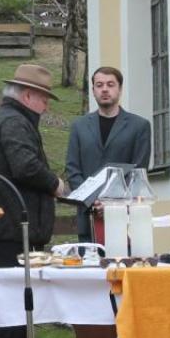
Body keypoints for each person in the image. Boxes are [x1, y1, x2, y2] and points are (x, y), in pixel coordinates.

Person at [0, 63, 67, 338]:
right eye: (44, 98)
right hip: (13, 226)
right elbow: (25, 166)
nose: (46, 106)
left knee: (6, 299)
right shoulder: (14, 122)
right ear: (28, 95)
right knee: (16, 299)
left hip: (4, 224)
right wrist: (55, 183)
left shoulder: (4, 118)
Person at [65, 66, 151, 243]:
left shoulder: (139, 126)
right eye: (99, 85)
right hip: (87, 216)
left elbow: (138, 172)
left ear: (119, 89)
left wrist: (114, 204)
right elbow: (72, 169)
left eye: (110, 84)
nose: (104, 89)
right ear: (93, 90)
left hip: (124, 218)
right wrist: (92, 201)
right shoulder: (79, 126)